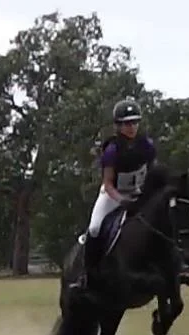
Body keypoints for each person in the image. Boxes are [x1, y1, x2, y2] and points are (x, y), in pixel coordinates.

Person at [70, 97, 157, 290]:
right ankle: (86, 275)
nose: (132, 127)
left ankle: (176, 267)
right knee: (94, 228)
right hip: (113, 196)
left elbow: (152, 173)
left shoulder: (147, 146)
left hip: (138, 194)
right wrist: (122, 200)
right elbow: (108, 184)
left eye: (135, 122)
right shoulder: (112, 150)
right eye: (127, 123)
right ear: (118, 125)